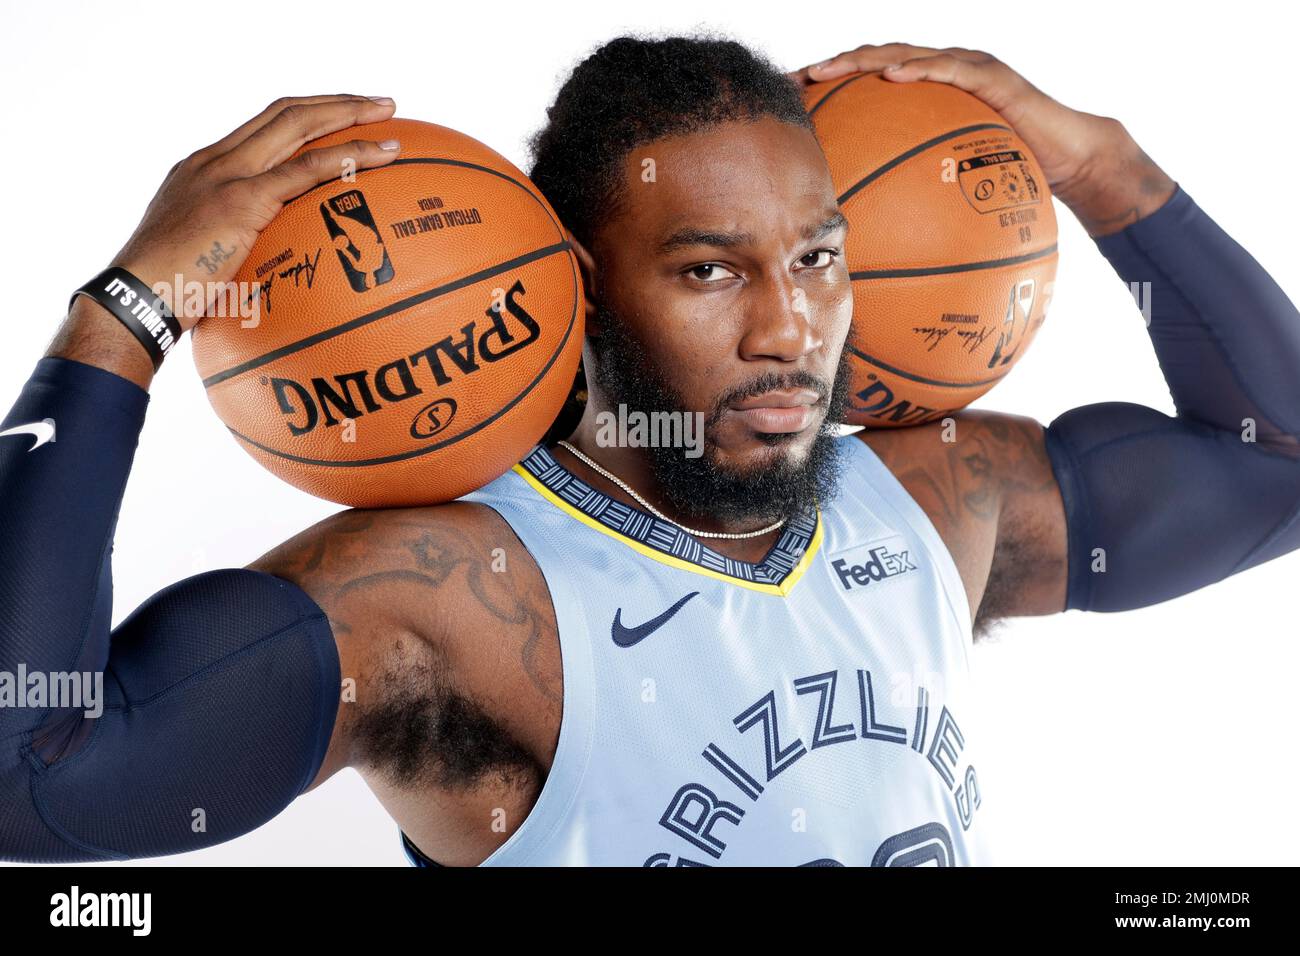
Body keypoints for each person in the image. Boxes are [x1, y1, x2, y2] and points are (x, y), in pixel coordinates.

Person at [2, 35, 1298, 867]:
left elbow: (1281, 465)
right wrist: (121, 320)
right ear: (579, 285)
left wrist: (1110, 168)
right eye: (706, 269)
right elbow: (28, 778)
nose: (789, 326)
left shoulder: (936, 497)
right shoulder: (435, 595)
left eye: (817, 260)